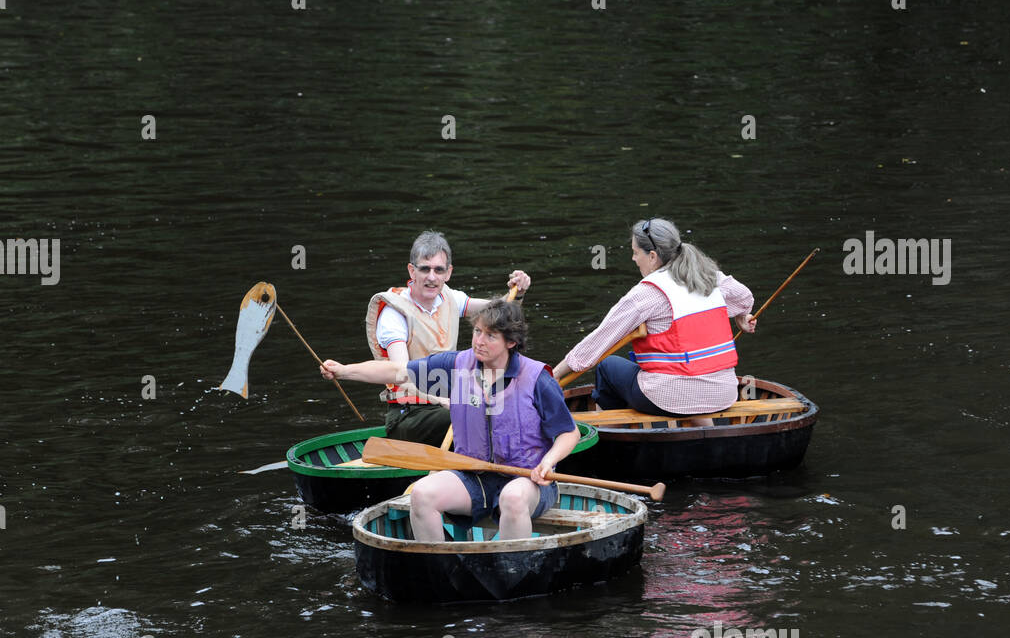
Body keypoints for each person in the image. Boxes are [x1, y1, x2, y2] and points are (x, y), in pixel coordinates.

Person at [323, 299, 579, 542]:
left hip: (527, 481)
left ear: (511, 342)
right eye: (477, 331)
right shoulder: (456, 366)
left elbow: (569, 433)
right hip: (474, 476)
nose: (479, 341)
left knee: (512, 498)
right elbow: (398, 372)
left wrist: (548, 462)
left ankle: (513, 568)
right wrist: (344, 371)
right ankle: (439, 568)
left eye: (490, 336)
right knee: (422, 495)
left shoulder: (537, 378)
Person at [552, 218, 757, 420]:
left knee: (607, 367)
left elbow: (599, 340)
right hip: (724, 393)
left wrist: (555, 373)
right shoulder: (710, 276)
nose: (633, 259)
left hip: (667, 399)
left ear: (652, 256)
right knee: (685, 379)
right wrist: (741, 316)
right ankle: (707, 431)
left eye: (635, 252)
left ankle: (608, 435)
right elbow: (743, 296)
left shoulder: (647, 293)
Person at [365, 230, 532, 445]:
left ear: (448, 273)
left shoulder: (450, 297)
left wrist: (517, 294)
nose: (432, 277)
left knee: (509, 403)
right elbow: (401, 375)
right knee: (475, 413)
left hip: (450, 403)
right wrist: (445, 401)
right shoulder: (394, 314)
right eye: (425, 269)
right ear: (412, 271)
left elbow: (502, 312)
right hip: (409, 415)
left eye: (438, 270)